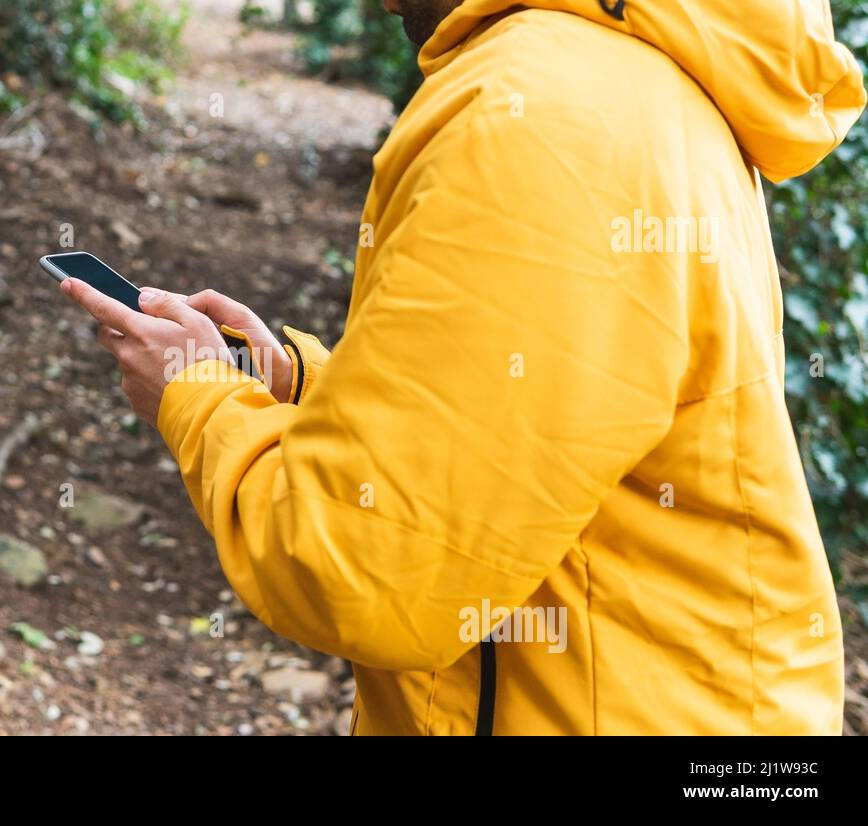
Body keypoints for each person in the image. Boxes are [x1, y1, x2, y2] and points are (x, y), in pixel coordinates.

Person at [61, 0, 866, 734]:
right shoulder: (630, 83)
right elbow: (543, 430)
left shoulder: (537, 117)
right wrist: (297, 392)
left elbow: (369, 570)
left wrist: (201, 397)